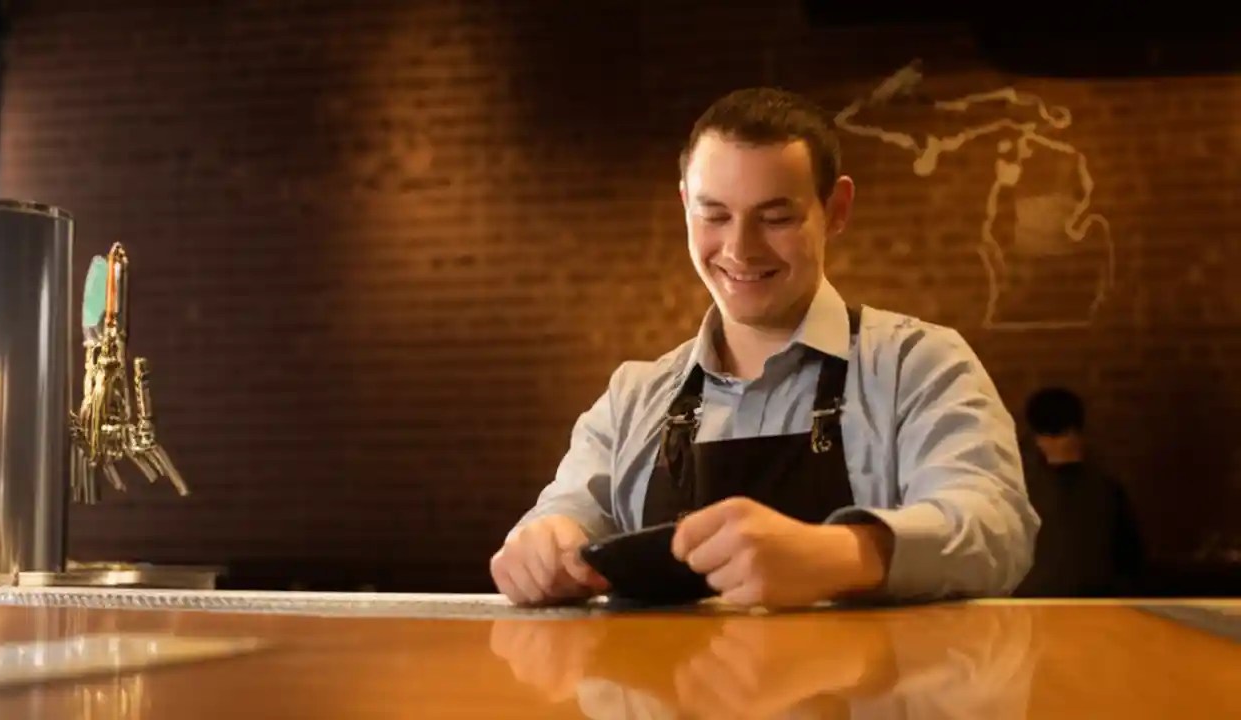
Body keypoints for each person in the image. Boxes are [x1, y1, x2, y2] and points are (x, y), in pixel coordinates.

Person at [490, 87, 1039, 608]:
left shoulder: (918, 365)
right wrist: (545, 547)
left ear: (837, 209)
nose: (740, 249)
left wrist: (839, 554)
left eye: (776, 218)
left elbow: (996, 529)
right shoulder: (635, 395)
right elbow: (566, 515)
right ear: (685, 205)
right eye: (715, 215)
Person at [1015, 387, 1143, 597]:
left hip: (1031, 610)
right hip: (1095, 610)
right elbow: (1130, 561)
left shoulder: (1018, 492)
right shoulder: (1105, 489)